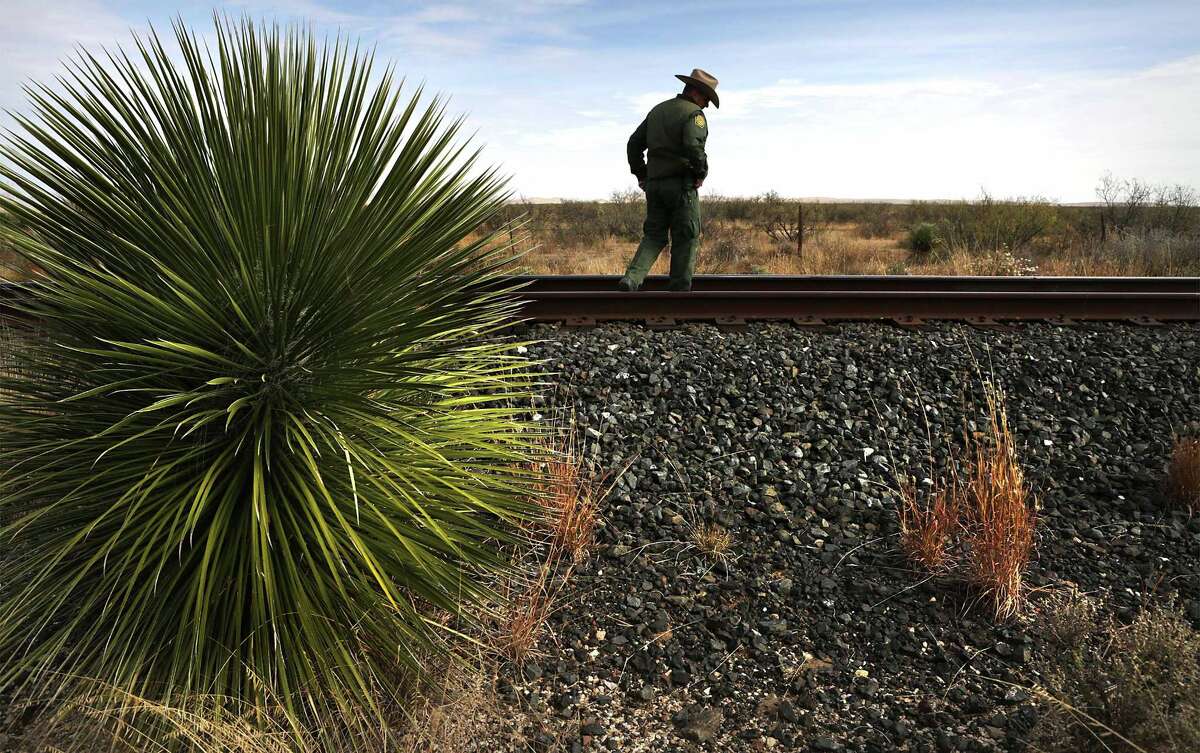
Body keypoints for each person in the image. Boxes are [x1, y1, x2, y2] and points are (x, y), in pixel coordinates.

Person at [618, 68, 719, 292]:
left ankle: (632, 279)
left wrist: (642, 175)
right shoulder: (694, 114)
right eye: (706, 98)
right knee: (686, 235)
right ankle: (679, 292)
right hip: (681, 186)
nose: (706, 105)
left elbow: (633, 144)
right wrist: (700, 173)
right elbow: (693, 147)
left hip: (654, 186)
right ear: (695, 92)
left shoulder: (657, 110)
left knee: (654, 235)